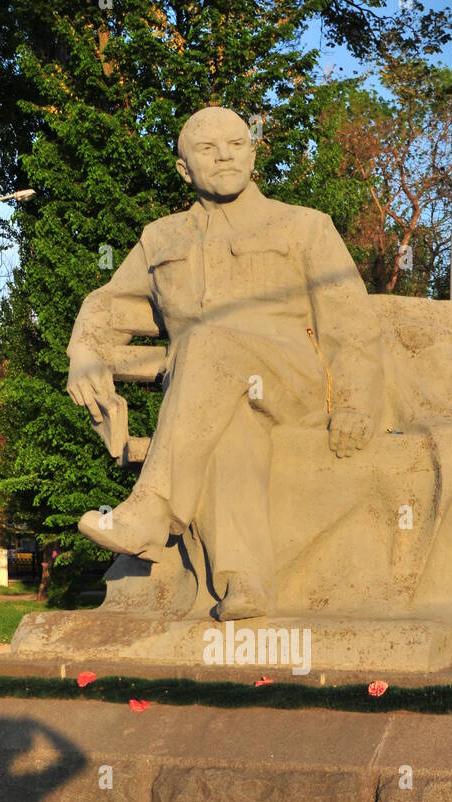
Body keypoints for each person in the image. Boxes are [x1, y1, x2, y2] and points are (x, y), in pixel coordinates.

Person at [67, 106, 384, 619]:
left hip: (295, 384)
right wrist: (82, 351)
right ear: (183, 169)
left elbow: (351, 326)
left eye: (236, 145)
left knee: (207, 343)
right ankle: (246, 582)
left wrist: (353, 404)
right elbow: (107, 305)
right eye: (207, 150)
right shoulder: (161, 238)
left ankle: (151, 509)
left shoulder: (304, 226)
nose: (224, 157)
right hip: (213, 394)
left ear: (254, 153)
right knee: (226, 420)